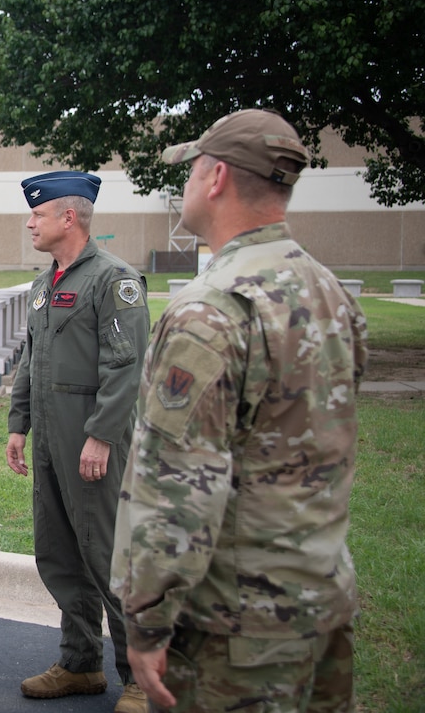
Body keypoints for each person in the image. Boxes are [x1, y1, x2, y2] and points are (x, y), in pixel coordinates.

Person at [111, 109, 369, 712]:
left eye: (191, 169)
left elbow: (180, 486)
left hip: (234, 630)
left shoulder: (211, 310)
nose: (185, 184)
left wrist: (148, 622)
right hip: (322, 603)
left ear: (217, 176)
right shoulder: (328, 291)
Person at [5, 171, 150, 713]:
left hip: (93, 443)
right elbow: (31, 360)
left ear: (69, 217)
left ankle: (140, 677)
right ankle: (80, 663)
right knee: (60, 553)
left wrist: (101, 437)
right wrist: (18, 425)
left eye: (37, 215)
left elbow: (125, 367)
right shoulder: (45, 285)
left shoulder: (115, 281)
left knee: (110, 556)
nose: (30, 223)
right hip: (49, 439)